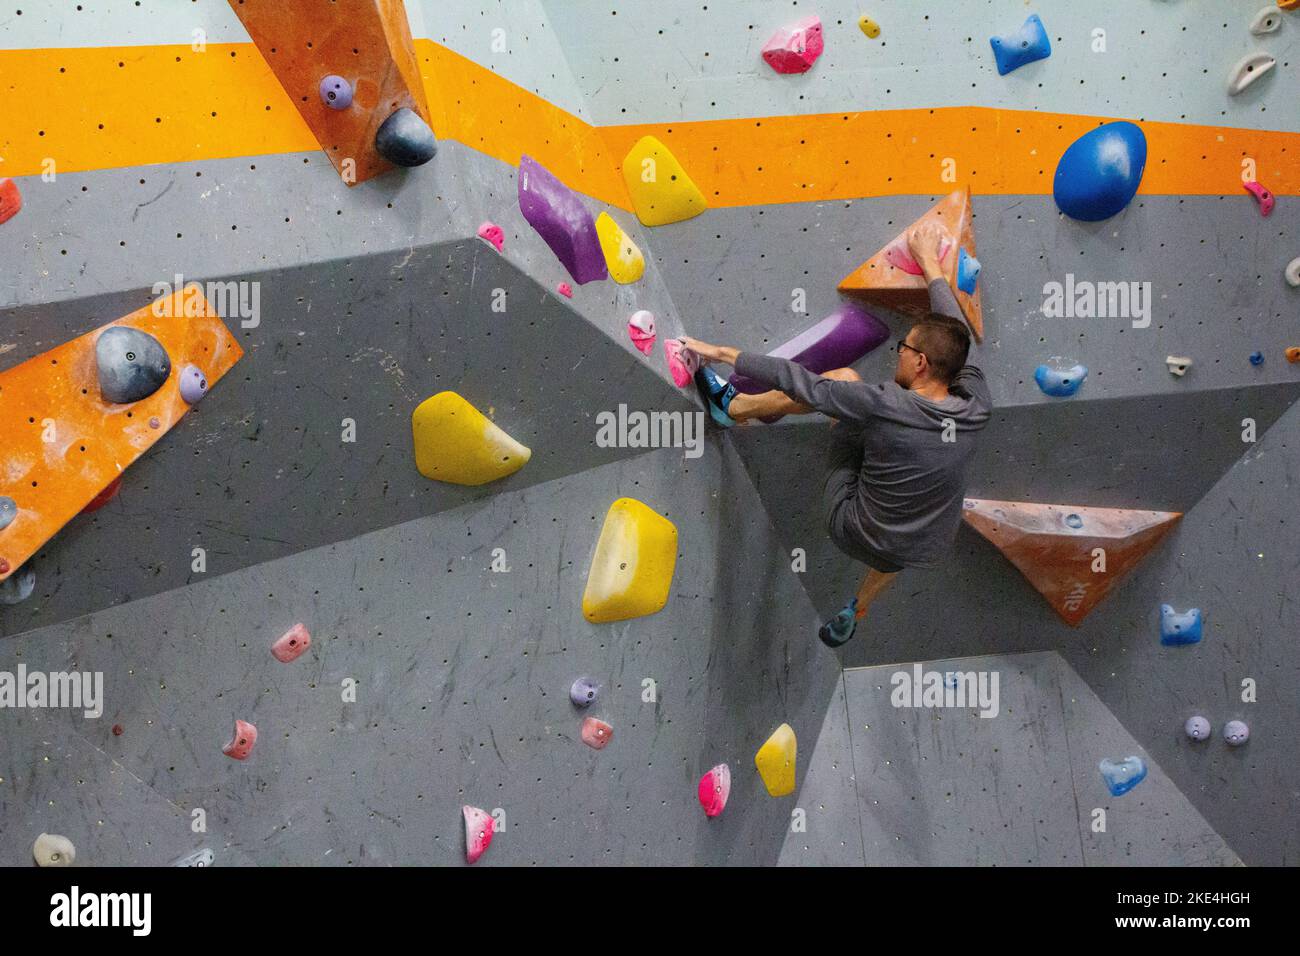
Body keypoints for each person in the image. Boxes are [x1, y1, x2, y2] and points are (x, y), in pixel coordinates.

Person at [679, 221, 991, 646]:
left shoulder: (883, 404)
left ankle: (733, 408)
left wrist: (716, 351)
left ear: (920, 363)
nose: (898, 354)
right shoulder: (975, 403)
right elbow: (957, 337)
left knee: (841, 381)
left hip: (850, 526)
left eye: (904, 349)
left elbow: (798, 381)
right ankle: (857, 608)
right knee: (910, 523)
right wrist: (930, 266)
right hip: (920, 550)